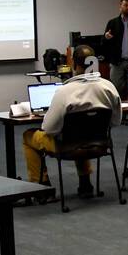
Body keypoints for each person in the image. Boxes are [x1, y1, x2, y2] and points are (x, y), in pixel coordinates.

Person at [23, 44, 122, 197]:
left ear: (74, 64)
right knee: (82, 135)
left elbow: (49, 128)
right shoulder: (109, 87)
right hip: (100, 145)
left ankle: (41, 188)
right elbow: (116, 121)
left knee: (29, 136)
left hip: (67, 147)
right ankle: (85, 184)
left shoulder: (65, 91)